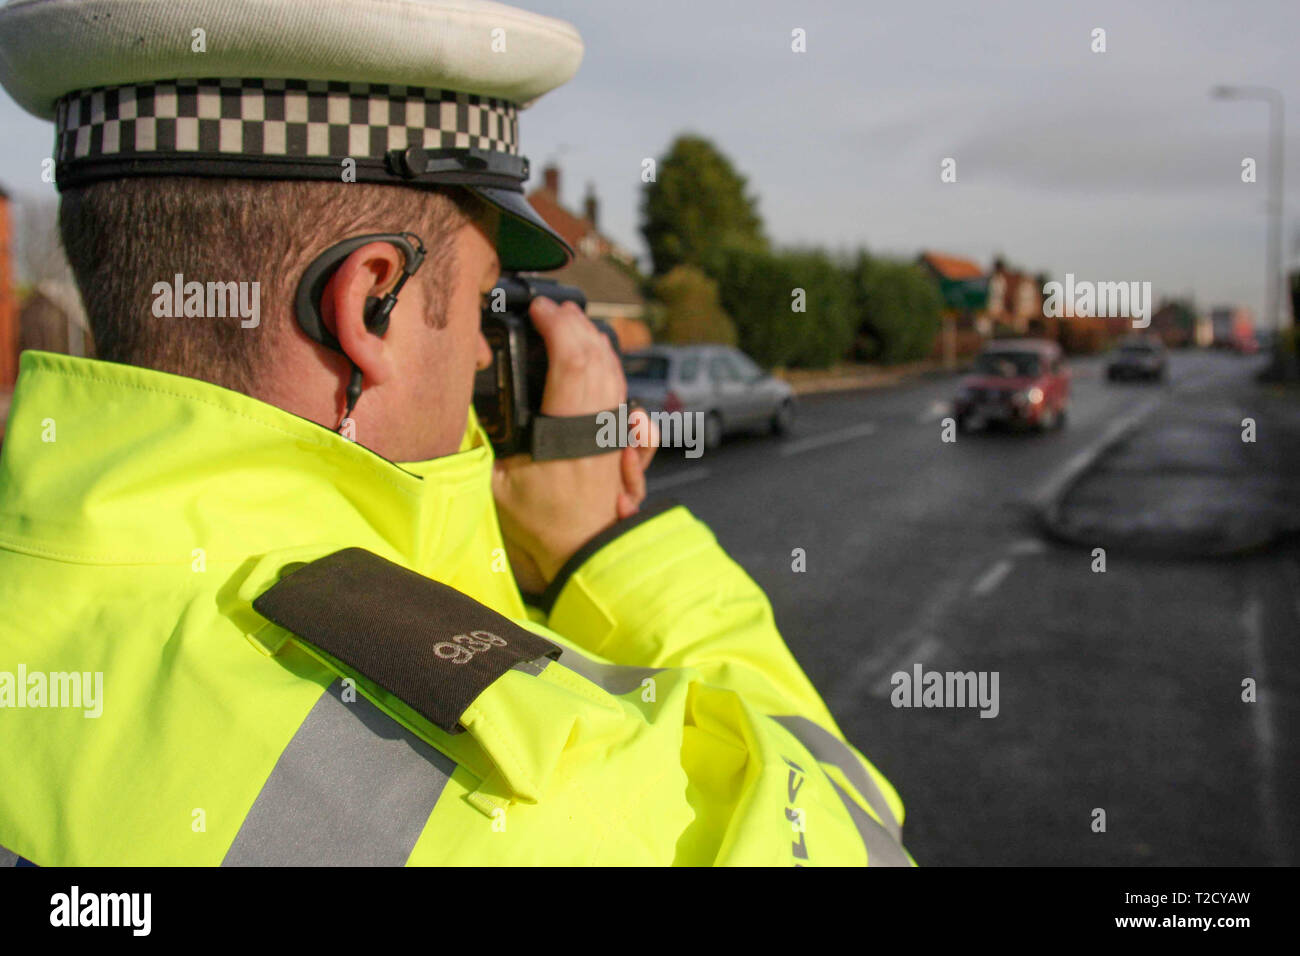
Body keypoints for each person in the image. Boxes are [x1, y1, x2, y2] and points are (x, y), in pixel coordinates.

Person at [0, 0, 912, 866]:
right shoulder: (532, 800)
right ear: (369, 307)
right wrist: (599, 551)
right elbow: (854, 825)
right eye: (481, 304)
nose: (482, 350)